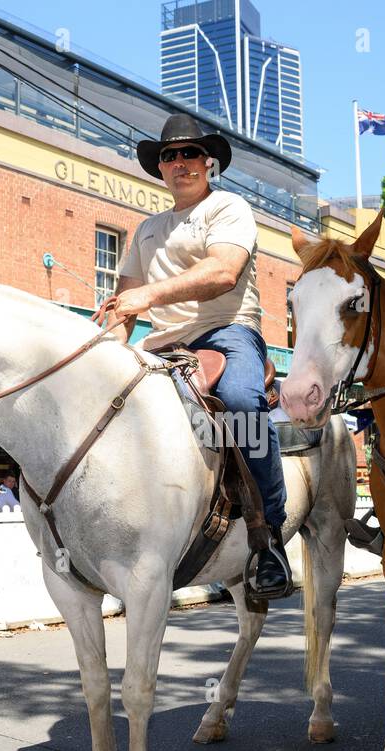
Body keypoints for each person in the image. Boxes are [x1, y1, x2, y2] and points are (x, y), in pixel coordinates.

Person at [112, 112, 291, 599]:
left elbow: (223, 273)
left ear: (208, 162)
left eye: (190, 153)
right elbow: (124, 304)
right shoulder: (146, 229)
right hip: (161, 344)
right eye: (169, 156)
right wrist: (100, 346)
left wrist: (147, 299)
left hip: (226, 333)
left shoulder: (229, 208)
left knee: (243, 402)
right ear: (160, 169)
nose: (180, 162)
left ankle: (267, 537)